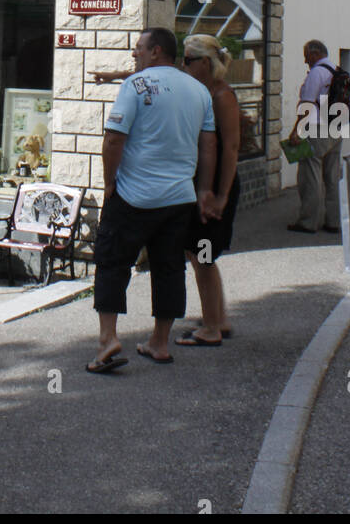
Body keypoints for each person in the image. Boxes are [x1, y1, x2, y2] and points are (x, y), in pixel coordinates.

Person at [87, 28, 216, 373]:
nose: (134, 55)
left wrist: (109, 181)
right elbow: (208, 145)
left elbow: (114, 139)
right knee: (169, 267)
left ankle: (107, 339)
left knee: (112, 262)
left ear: (156, 51)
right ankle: (160, 342)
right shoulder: (199, 91)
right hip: (178, 198)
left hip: (133, 194)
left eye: (138, 49)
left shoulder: (135, 85)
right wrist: (203, 189)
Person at [176, 34, 241, 347]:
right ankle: (219, 319)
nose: (183, 65)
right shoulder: (202, 91)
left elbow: (230, 148)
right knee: (201, 252)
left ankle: (211, 328)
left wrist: (221, 195)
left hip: (215, 184)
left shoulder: (221, 95)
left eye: (188, 59)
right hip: (203, 182)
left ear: (205, 62)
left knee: (201, 253)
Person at [286, 38, 340, 234]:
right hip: (335, 128)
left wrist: (297, 131)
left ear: (315, 54)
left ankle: (308, 222)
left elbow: (307, 104)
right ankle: (333, 221)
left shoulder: (316, 73)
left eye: (306, 56)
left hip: (316, 128)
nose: (305, 61)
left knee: (311, 176)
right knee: (332, 177)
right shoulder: (337, 70)